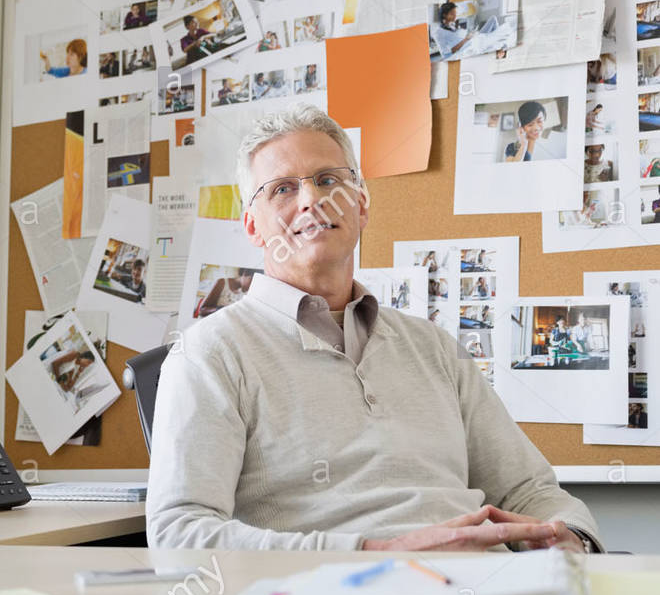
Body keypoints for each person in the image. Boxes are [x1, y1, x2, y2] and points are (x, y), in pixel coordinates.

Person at [146, 103, 602, 553]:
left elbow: (530, 490)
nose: (311, 200)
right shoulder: (210, 352)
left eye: (328, 180)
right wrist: (377, 553)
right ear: (252, 226)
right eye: (283, 189)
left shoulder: (433, 347)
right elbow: (179, 534)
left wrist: (573, 541)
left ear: (360, 206)